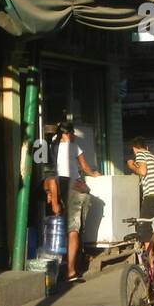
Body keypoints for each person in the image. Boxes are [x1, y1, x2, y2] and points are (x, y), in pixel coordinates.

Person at [55, 121, 98, 283]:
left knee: (70, 228)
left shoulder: (53, 144)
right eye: (72, 133)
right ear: (70, 133)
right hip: (73, 185)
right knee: (75, 230)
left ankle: (71, 263)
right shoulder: (73, 147)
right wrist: (94, 174)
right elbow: (85, 166)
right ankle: (71, 271)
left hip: (60, 185)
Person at [126, 137, 154, 250]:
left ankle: (151, 266)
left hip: (151, 197)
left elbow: (142, 171)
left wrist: (131, 166)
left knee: (145, 229)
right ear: (147, 147)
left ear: (134, 149)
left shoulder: (140, 154)